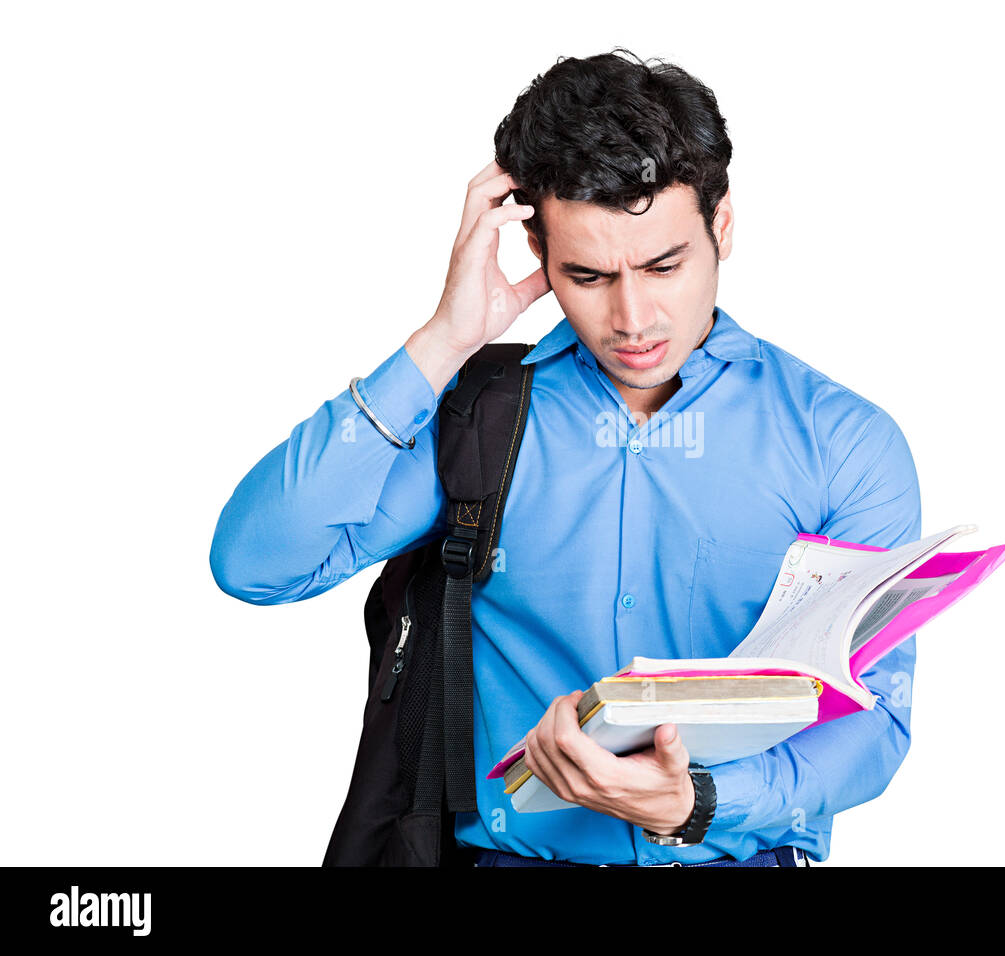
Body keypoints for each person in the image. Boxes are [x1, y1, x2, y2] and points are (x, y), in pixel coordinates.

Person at [210, 48, 921, 868]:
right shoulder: (473, 421)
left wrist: (702, 801)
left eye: (665, 265)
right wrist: (443, 342)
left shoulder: (843, 443)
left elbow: (873, 722)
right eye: (586, 274)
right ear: (540, 256)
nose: (633, 316)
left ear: (721, 225)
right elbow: (255, 565)